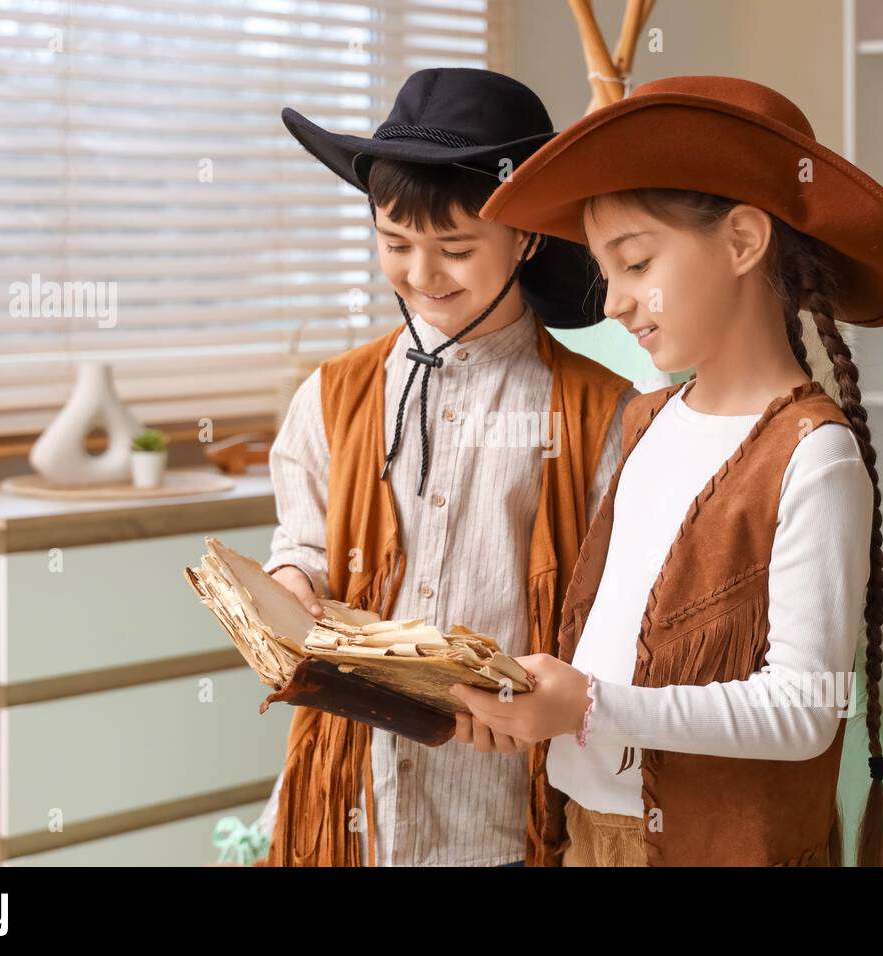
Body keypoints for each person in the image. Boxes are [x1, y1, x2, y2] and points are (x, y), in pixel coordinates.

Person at [449, 75, 883, 866]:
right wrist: (533, 705)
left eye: (635, 264)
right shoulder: (648, 419)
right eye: (606, 273)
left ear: (742, 241)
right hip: (586, 832)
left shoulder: (814, 455)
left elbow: (803, 711)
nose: (613, 304)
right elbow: (617, 639)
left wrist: (591, 705)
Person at [257, 67, 638, 867]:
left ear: (528, 234)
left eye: (455, 250)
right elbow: (304, 546)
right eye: (395, 244)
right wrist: (290, 585)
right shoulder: (331, 398)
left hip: (502, 814)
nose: (422, 276)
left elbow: (621, 621)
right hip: (353, 801)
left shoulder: (604, 414)